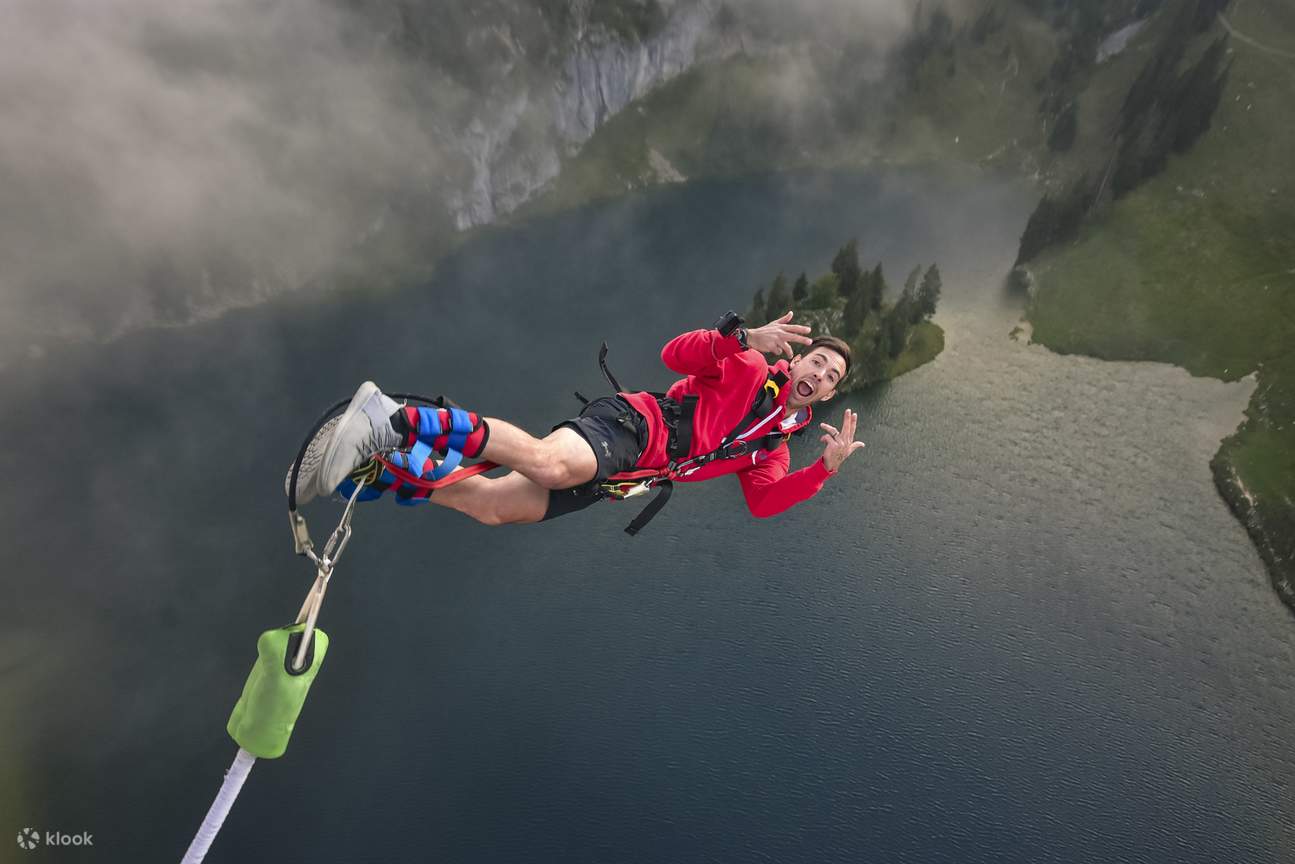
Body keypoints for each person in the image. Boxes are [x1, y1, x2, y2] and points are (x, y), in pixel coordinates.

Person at [288, 311, 865, 528]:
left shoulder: (774, 450)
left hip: (624, 477)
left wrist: (823, 472)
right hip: (636, 427)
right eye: (818, 360)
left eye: (831, 377)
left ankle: (380, 468)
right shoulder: (747, 366)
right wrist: (737, 336)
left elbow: (763, 504)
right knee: (549, 462)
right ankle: (395, 419)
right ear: (798, 359)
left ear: (823, 398)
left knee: (493, 508)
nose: (820, 374)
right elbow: (675, 355)